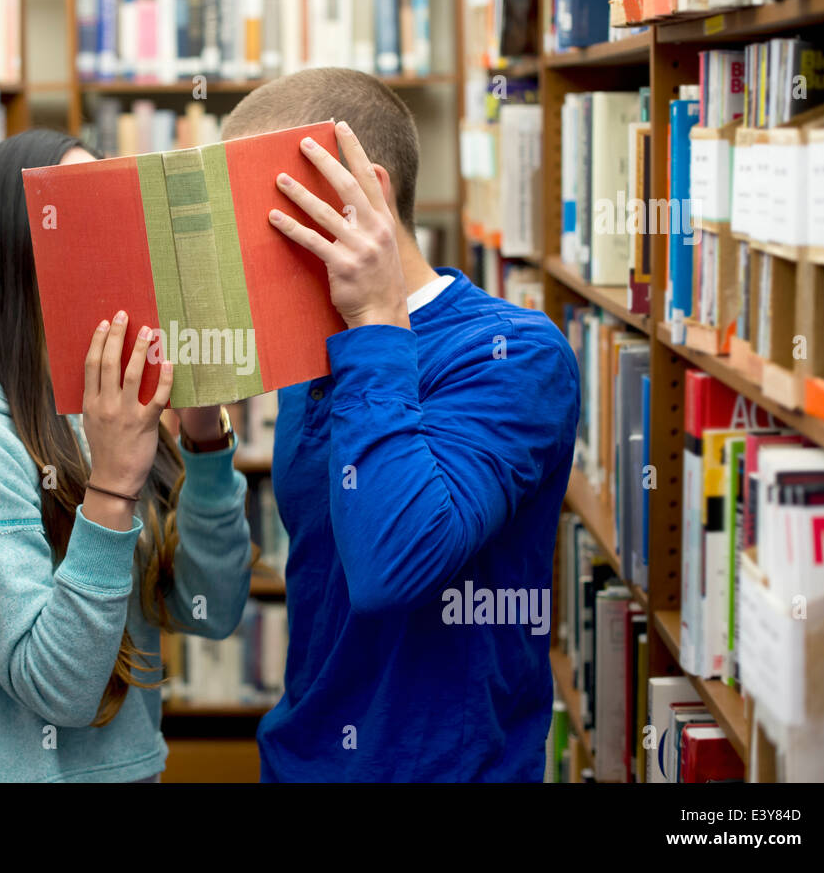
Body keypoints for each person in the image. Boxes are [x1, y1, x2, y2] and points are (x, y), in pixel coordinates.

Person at [0, 129, 252, 782]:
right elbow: (61, 687)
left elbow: (210, 607)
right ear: (15, 254)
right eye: (86, 216)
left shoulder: (91, 410)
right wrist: (114, 483)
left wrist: (206, 438)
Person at [222, 68, 580, 781]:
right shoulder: (308, 352)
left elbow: (392, 567)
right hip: (300, 761)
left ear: (364, 199)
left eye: (251, 212)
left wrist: (377, 321)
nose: (232, 249)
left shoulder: (516, 356)